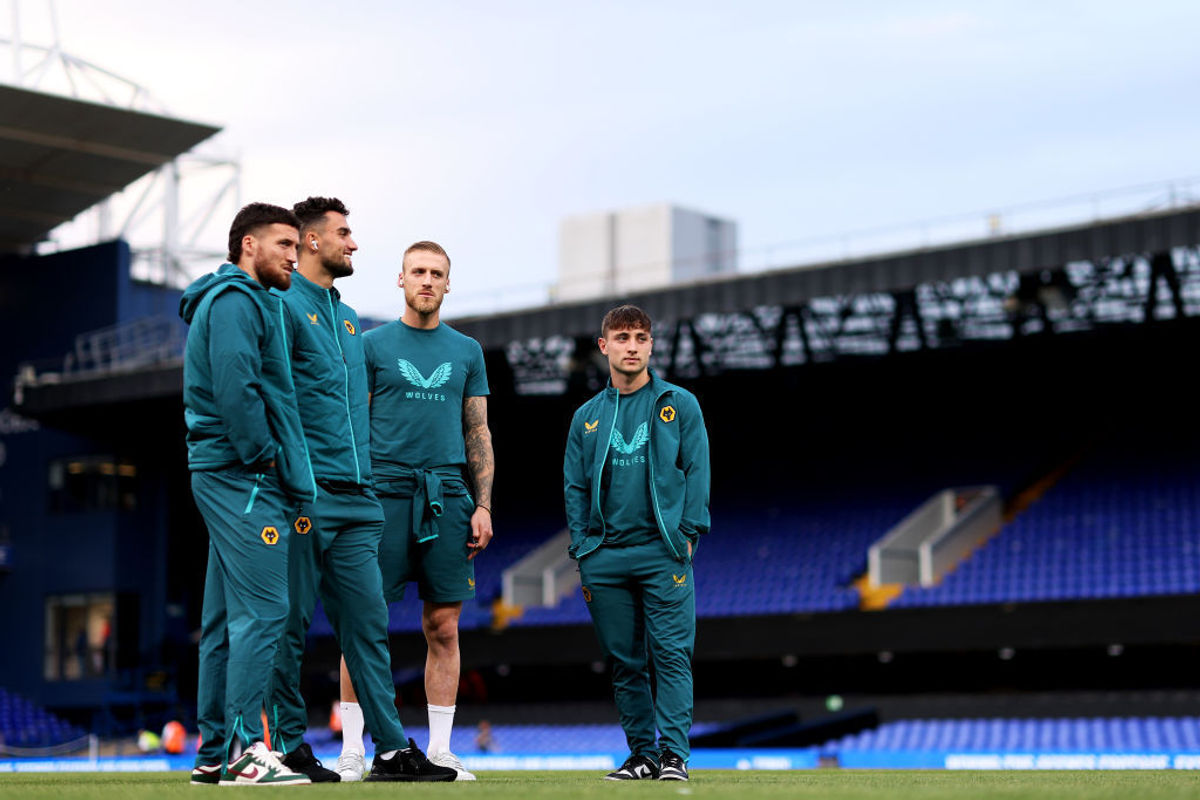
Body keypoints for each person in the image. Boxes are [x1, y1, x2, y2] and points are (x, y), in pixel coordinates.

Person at [264, 198, 456, 783]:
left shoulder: (350, 323)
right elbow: (266, 396)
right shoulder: (279, 306)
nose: (353, 244)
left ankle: (393, 751)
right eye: (344, 234)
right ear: (312, 242)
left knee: (369, 627)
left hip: (358, 498)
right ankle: (292, 745)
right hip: (304, 494)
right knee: (292, 623)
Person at [337, 240, 494, 781]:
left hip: (447, 496)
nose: (427, 280)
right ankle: (354, 751)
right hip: (380, 493)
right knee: (363, 623)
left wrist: (483, 503)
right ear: (400, 280)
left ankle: (442, 750)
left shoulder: (467, 351)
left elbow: (477, 431)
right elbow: (355, 425)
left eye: (437, 273)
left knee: (443, 625)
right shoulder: (372, 346)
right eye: (418, 271)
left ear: (448, 284)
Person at [180, 202, 314, 786]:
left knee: (223, 621)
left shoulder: (240, 300)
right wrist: (266, 458)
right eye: (284, 244)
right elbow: (239, 387)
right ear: (248, 246)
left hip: (228, 473)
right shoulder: (238, 301)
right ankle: (243, 750)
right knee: (265, 611)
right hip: (244, 476)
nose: (294, 254)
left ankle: (213, 753)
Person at [562, 304, 711, 782]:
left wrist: (688, 533)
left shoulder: (679, 403)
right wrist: (584, 547)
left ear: (651, 345)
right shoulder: (586, 417)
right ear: (604, 346)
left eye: (641, 338)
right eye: (622, 337)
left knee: (670, 655)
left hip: (662, 550)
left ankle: (674, 756)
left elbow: (697, 471)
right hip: (604, 556)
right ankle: (642, 755)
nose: (632, 346)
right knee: (625, 662)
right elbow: (575, 487)